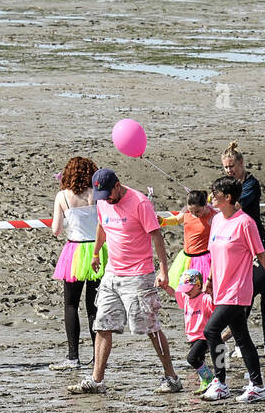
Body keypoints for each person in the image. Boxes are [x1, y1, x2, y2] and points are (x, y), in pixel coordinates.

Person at [68, 169, 182, 396]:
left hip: (139, 275)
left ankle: (172, 377)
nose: (106, 199)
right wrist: (95, 254)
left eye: (108, 193)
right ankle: (96, 380)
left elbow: (156, 235)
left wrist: (163, 270)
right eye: (101, 195)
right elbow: (102, 226)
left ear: (118, 185)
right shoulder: (102, 202)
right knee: (102, 325)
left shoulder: (140, 203)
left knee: (150, 327)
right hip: (112, 273)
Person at [202, 175, 265, 402]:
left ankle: (220, 382)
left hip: (238, 290)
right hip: (221, 288)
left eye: (215, 193)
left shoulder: (245, 223)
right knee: (242, 338)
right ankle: (258, 385)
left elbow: (261, 255)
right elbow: (214, 253)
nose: (211, 197)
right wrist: (210, 279)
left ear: (228, 197)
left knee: (211, 331)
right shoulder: (217, 220)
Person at [221, 143, 265, 353]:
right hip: (236, 241)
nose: (229, 170)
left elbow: (237, 206)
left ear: (241, 163)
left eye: (232, 166)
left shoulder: (251, 183)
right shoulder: (227, 183)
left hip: (255, 239)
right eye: (226, 167)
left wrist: (218, 203)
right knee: (262, 285)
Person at [49, 157, 106, 370]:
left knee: (71, 304)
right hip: (97, 250)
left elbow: (56, 229)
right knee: (94, 305)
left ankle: (73, 356)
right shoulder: (98, 196)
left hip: (74, 250)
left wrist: (67, 219)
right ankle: (96, 356)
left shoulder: (62, 196)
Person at [160, 267, 216, 394]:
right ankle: (205, 383)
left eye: (189, 289)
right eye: (185, 290)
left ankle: (209, 378)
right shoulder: (185, 298)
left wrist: (212, 291)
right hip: (192, 336)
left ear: (199, 285)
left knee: (192, 358)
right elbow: (174, 294)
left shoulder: (204, 298)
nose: (187, 293)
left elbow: (214, 303)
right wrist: (165, 287)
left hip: (203, 336)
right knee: (199, 360)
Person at [167, 189, 215, 290]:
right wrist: (162, 221)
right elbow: (176, 220)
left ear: (205, 205)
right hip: (186, 257)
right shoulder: (186, 212)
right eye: (191, 211)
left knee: (199, 290)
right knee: (185, 289)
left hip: (203, 258)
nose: (194, 214)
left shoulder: (213, 216)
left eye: (197, 211)